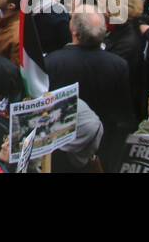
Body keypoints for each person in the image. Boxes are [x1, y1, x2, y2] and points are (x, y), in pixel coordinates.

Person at [44, 9, 132, 171]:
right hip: (99, 144)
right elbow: (122, 109)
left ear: (74, 32)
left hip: (60, 147)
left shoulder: (52, 62)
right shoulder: (119, 65)